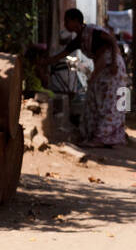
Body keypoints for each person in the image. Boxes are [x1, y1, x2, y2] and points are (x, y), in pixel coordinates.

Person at [48, 8, 128, 147]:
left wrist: (114, 62)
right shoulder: (79, 39)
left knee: (111, 103)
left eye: (67, 21)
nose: (65, 24)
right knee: (94, 99)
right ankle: (95, 134)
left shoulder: (94, 32)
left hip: (112, 68)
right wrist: (44, 62)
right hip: (102, 68)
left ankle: (103, 137)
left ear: (75, 21)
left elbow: (112, 42)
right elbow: (61, 55)